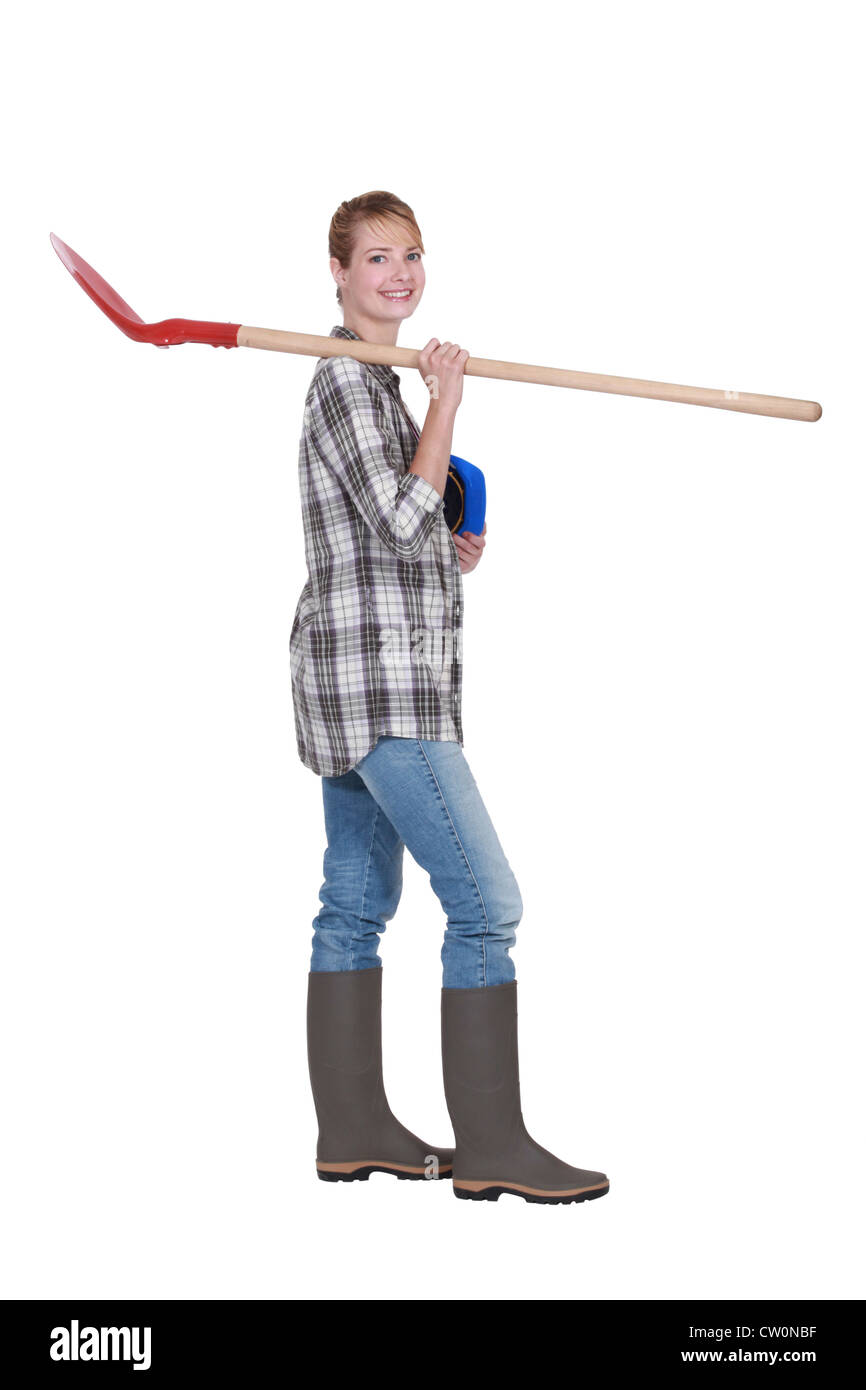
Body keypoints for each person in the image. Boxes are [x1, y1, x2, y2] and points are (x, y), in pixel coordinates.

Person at [292, 190, 609, 1204]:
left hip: (362, 673)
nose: (399, 273)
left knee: (353, 907)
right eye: (376, 257)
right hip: (382, 690)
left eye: (412, 255)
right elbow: (393, 515)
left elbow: (398, 532)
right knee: (485, 905)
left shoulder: (379, 384)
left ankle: (352, 1129)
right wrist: (446, 403)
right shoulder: (351, 378)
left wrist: (451, 550)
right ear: (337, 274)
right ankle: (492, 1148)